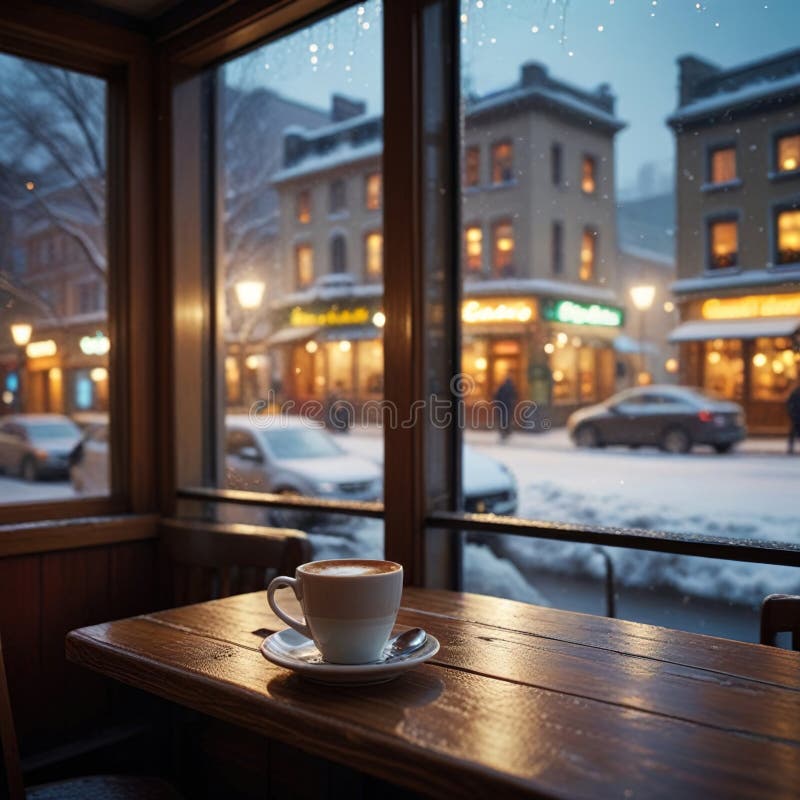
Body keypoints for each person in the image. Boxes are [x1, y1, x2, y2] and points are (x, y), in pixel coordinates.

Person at [493, 373, 518, 441]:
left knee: (502, 420)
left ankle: (503, 432)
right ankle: (506, 431)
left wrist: (497, 404)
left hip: (501, 407)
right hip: (508, 407)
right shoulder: (512, 388)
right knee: (507, 420)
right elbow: (515, 397)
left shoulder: (502, 387)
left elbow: (496, 396)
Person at [787, 381, 800, 454]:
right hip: (796, 416)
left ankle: (790, 447)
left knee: (793, 432)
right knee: (793, 432)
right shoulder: (795, 393)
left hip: (795, 416)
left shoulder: (795, 393)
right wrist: (792, 414)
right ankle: (790, 448)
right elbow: (790, 404)